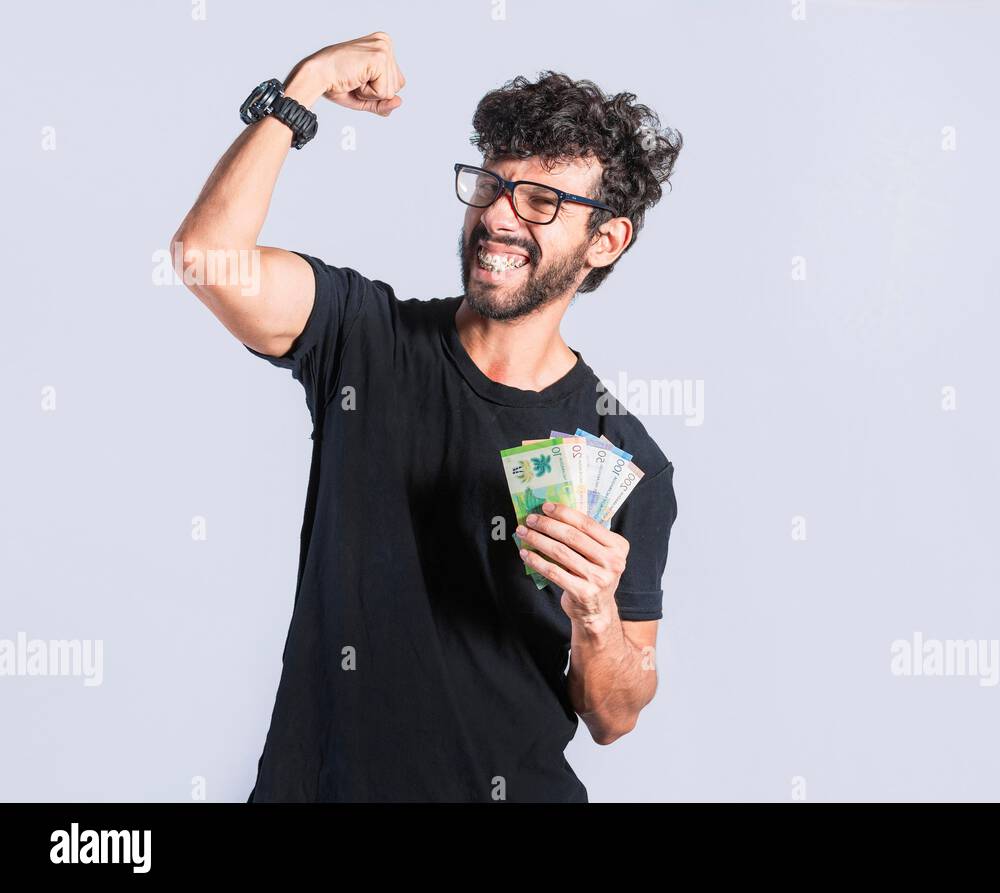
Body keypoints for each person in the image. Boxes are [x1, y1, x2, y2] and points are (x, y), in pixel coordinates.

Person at [171, 32, 683, 802]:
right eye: (490, 184)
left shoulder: (625, 454)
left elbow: (615, 714)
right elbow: (207, 256)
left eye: (543, 201)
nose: (501, 218)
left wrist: (596, 616)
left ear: (605, 240)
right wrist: (302, 88)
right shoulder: (363, 335)